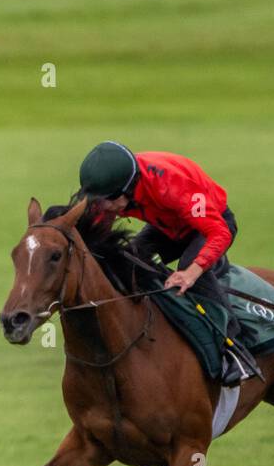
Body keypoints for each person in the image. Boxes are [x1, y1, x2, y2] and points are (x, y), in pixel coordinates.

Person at [76, 141, 257, 386]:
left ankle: (236, 349)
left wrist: (191, 273)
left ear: (127, 191)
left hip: (209, 224)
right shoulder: (112, 187)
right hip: (167, 224)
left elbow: (219, 232)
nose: (102, 209)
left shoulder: (172, 186)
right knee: (129, 257)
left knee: (189, 265)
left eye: (106, 203)